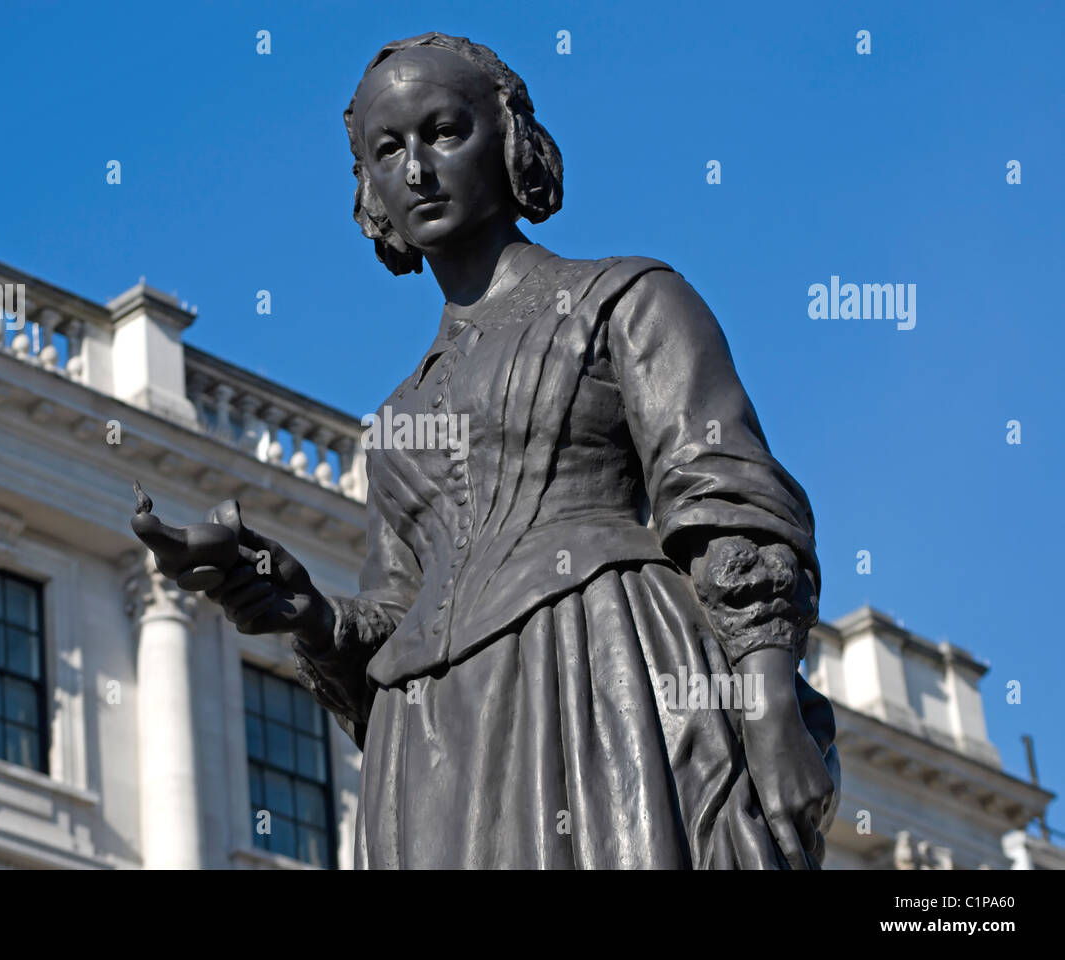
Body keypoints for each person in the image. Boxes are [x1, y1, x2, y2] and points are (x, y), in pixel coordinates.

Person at [138, 31, 838, 869]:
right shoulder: (395, 417)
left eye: (444, 132)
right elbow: (396, 609)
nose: (417, 171)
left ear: (508, 138)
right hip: (429, 738)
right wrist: (307, 613)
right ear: (367, 186)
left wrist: (766, 704)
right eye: (386, 150)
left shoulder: (627, 299)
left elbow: (724, 500)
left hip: (598, 671)